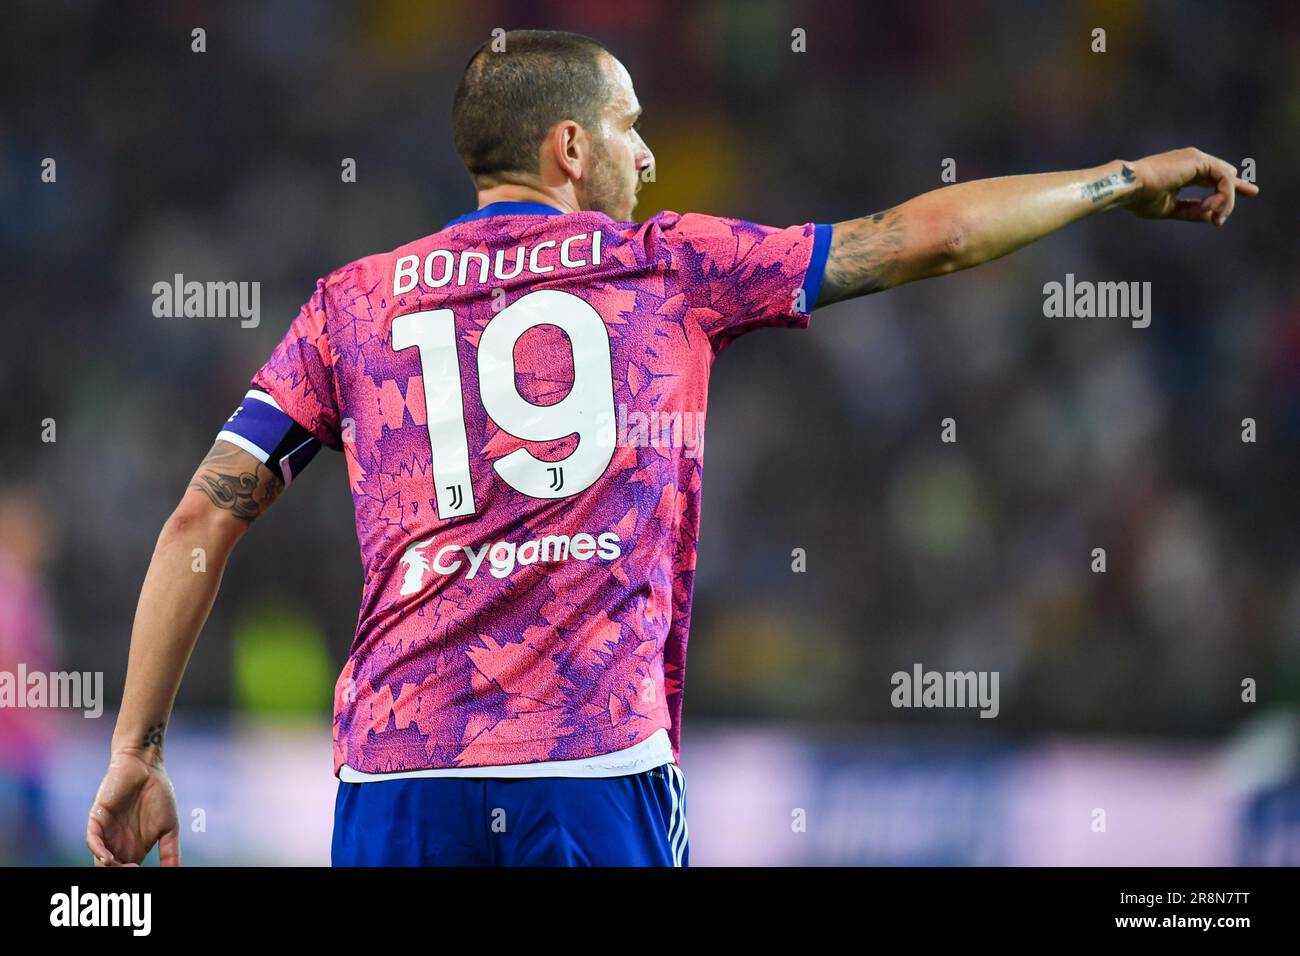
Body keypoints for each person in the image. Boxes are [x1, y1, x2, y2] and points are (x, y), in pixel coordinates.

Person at [86, 29, 1257, 867]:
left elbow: (202, 517)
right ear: (567, 149)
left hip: (398, 777)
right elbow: (925, 238)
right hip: (593, 770)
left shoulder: (350, 303)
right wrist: (1115, 182)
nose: (647, 156)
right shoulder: (668, 264)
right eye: (630, 127)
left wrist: (135, 749)